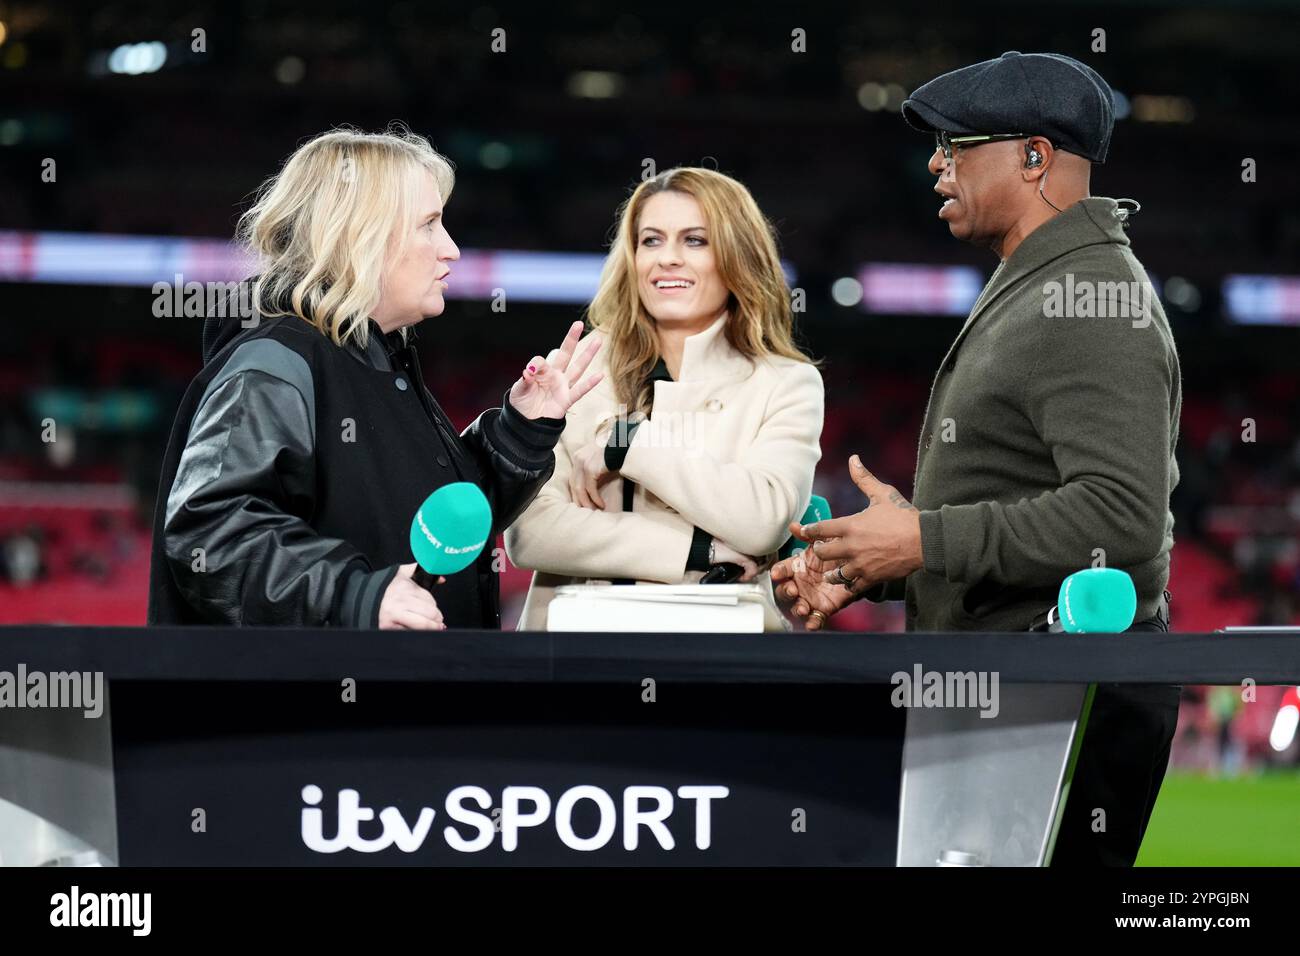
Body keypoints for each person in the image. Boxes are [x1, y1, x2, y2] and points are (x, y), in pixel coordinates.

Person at [772, 52, 1183, 866]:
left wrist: (923, 540)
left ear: (1035, 157)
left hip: (1063, 700)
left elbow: (1121, 518)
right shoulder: (1043, 280)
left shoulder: (1091, 298)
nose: (935, 164)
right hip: (1021, 687)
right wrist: (875, 561)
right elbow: (1013, 493)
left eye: (958, 146)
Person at [147, 126, 603, 630]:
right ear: (358, 235)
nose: (451, 249)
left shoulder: (378, 360)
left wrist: (521, 431)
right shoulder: (277, 362)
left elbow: (430, 534)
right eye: (428, 225)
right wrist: (353, 596)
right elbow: (209, 534)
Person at [505, 167, 824, 630]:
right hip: (576, 654)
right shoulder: (579, 366)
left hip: (722, 658)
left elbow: (763, 521)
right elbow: (530, 533)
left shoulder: (786, 382)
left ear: (737, 256)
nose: (667, 259)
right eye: (651, 241)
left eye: (695, 240)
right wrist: (697, 550)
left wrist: (628, 445)